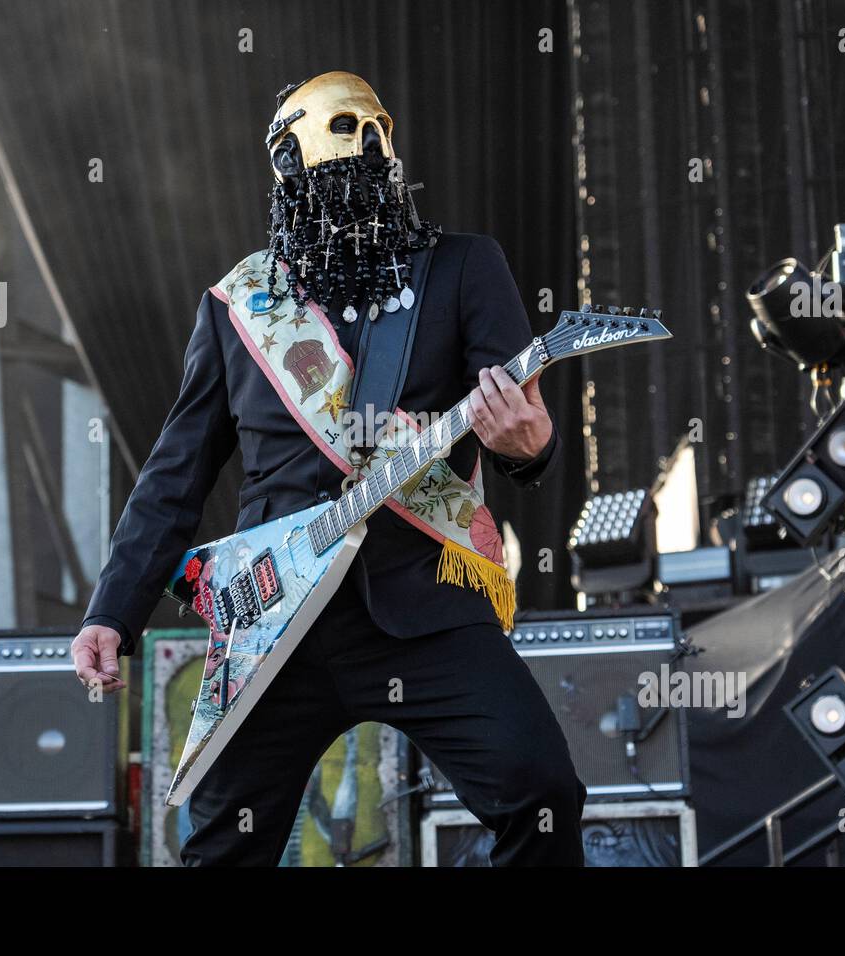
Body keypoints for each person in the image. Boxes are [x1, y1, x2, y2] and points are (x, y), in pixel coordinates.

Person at [73, 71, 585, 866]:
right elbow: (174, 473)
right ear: (287, 167)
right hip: (275, 627)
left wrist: (531, 443)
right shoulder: (239, 306)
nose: (361, 158)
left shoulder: (463, 267)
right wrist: (112, 610)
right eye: (337, 140)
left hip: (425, 606)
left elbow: (524, 427)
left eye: (371, 138)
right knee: (218, 852)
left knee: (543, 792)